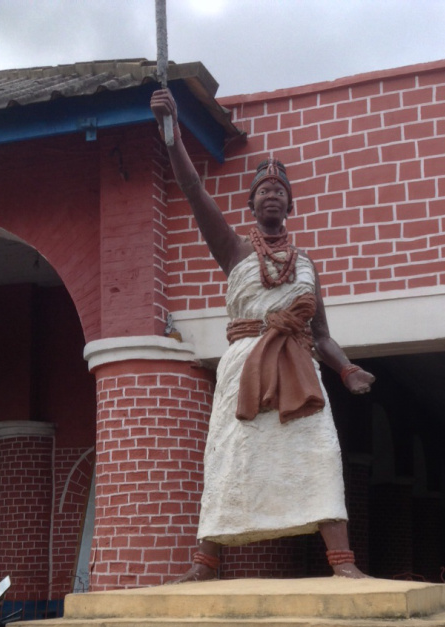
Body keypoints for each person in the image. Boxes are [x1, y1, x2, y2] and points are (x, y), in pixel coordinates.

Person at [150, 88, 375, 581]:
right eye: (263, 191)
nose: (271, 194)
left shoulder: (309, 267)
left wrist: (347, 367)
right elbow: (193, 190)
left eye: (279, 191)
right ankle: (205, 563)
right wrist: (172, 135)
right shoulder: (233, 251)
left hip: (300, 367)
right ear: (251, 204)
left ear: (289, 205)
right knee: (231, 455)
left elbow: (322, 333)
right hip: (244, 366)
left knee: (319, 454)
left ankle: (343, 562)